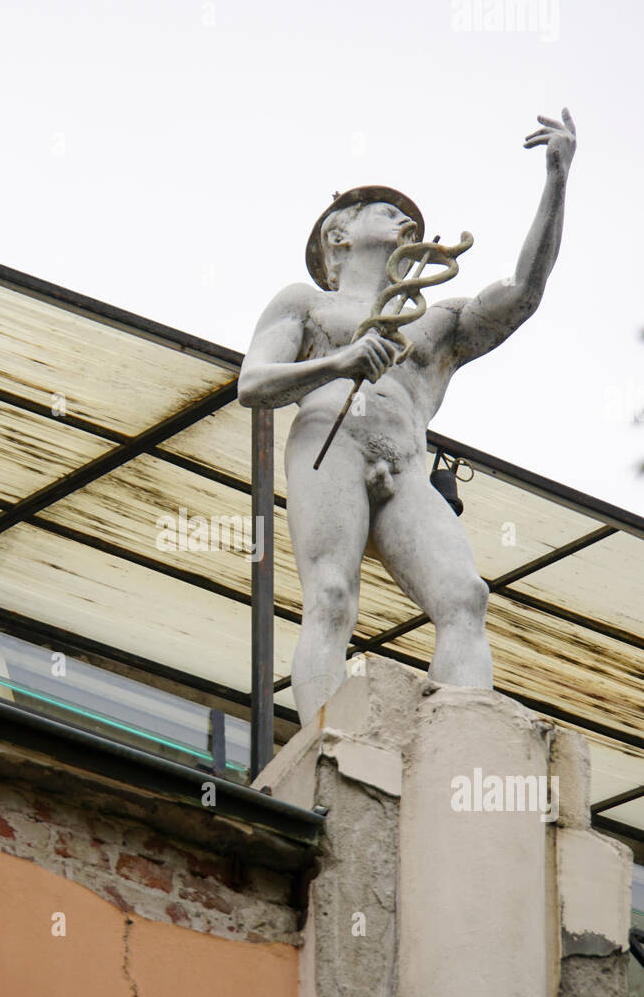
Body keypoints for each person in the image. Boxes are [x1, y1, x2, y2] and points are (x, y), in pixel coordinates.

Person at [238, 110, 577, 723]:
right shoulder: (307, 303)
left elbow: (524, 291)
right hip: (329, 443)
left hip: (407, 463)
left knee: (465, 599)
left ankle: (459, 741)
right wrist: (340, 362)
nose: (405, 218)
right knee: (333, 597)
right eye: (383, 208)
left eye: (409, 215)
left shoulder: (437, 320)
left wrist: (557, 179)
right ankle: (328, 746)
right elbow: (253, 385)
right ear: (338, 235)